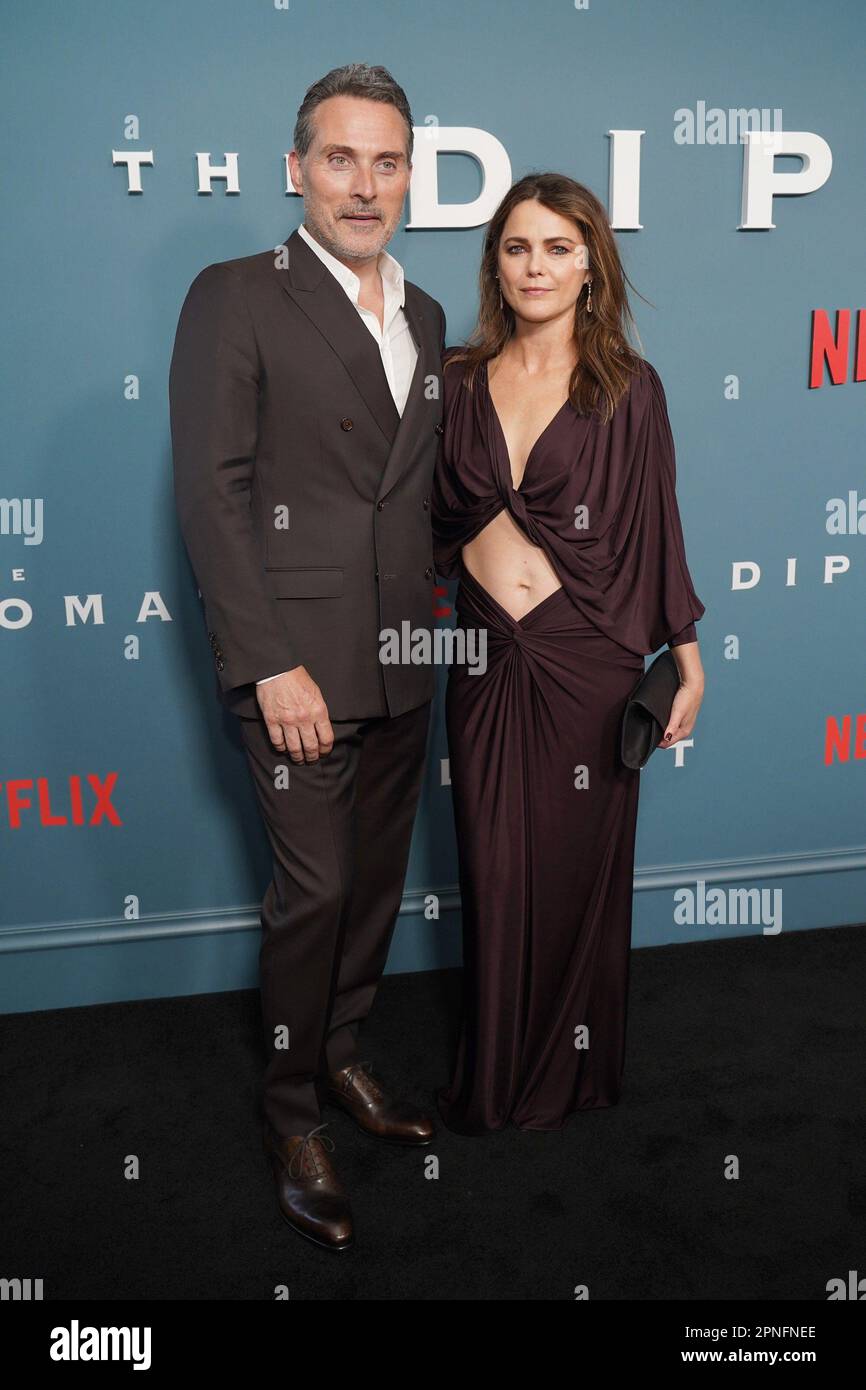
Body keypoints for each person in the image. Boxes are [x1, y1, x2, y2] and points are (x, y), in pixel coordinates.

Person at [169, 64, 446, 1249]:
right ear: (295, 169)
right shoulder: (235, 294)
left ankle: (340, 1055)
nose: (363, 184)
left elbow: (421, 497)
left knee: (373, 886)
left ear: (408, 177)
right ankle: (290, 1110)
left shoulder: (426, 314)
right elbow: (211, 493)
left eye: (386, 162)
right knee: (315, 892)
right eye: (340, 159)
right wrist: (266, 660)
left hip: (401, 652)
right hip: (295, 665)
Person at [431, 172, 706, 1133]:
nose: (535, 267)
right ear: (495, 264)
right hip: (480, 656)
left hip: (584, 657)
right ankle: (497, 1071)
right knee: (493, 868)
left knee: (575, 870)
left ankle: (570, 1073)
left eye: (556, 248)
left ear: (591, 264)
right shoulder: (458, 378)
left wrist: (687, 656)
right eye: (517, 248)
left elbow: (659, 532)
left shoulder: (628, 389)